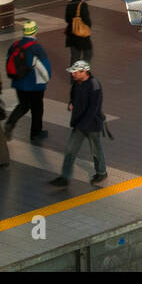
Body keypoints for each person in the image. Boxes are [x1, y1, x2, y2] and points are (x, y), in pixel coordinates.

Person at [50, 60, 108, 188]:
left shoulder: (94, 85)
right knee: (70, 150)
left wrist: (82, 125)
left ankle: (101, 172)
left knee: (96, 150)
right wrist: (71, 103)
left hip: (92, 125)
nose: (73, 75)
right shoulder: (77, 83)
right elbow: (73, 96)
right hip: (79, 124)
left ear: (84, 72)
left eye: (75, 72)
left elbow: (94, 108)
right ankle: (65, 177)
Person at [4, 20, 51, 143]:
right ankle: (36, 133)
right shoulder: (37, 48)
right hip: (35, 85)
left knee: (23, 105)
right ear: (35, 31)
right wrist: (46, 80)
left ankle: (10, 122)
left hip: (18, 83)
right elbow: (45, 68)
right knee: (37, 109)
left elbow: (8, 60)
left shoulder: (15, 45)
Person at [64, 0, 92, 64]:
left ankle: (73, 75)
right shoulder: (83, 5)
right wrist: (88, 29)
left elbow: (67, 19)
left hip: (71, 33)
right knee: (88, 54)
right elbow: (86, 20)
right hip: (81, 34)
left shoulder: (69, 4)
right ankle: (82, 72)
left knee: (75, 56)